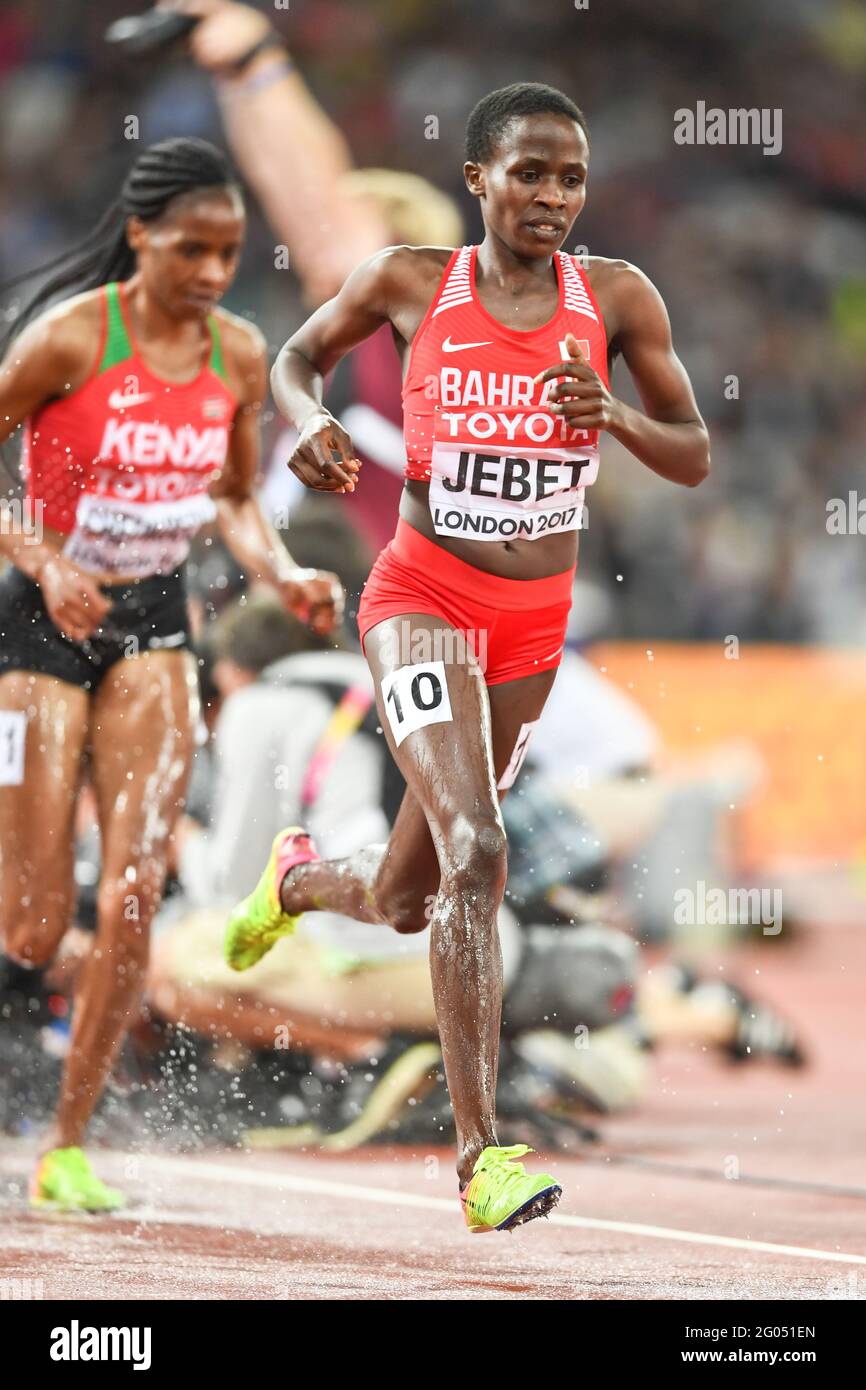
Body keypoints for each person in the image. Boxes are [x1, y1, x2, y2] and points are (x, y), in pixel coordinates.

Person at [225, 81, 711, 1233]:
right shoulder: (411, 281)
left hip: (530, 627)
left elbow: (690, 451)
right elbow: (295, 360)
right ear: (478, 180)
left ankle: (298, 879)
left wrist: (615, 420)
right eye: (529, 173)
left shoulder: (617, 297)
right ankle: (479, 1157)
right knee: (478, 848)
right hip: (419, 595)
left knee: (407, 895)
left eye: (571, 178)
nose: (551, 196)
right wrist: (315, 423)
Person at [0, 135, 342, 1212]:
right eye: (190, 249)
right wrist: (46, 560)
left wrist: (281, 571)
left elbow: (237, 498)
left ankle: (67, 1142)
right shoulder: (68, 339)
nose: (208, 273)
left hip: (153, 618)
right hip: (41, 624)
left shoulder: (239, 354)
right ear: (140, 236)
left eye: (228, 253)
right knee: (36, 924)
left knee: (138, 891)